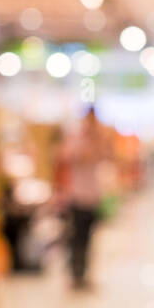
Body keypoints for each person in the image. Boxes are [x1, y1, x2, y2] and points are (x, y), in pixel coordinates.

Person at [56, 107, 111, 291]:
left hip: (93, 196)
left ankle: (85, 274)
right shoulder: (76, 138)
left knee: (89, 239)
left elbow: (108, 156)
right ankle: (75, 275)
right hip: (78, 196)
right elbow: (70, 157)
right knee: (76, 239)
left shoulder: (100, 139)